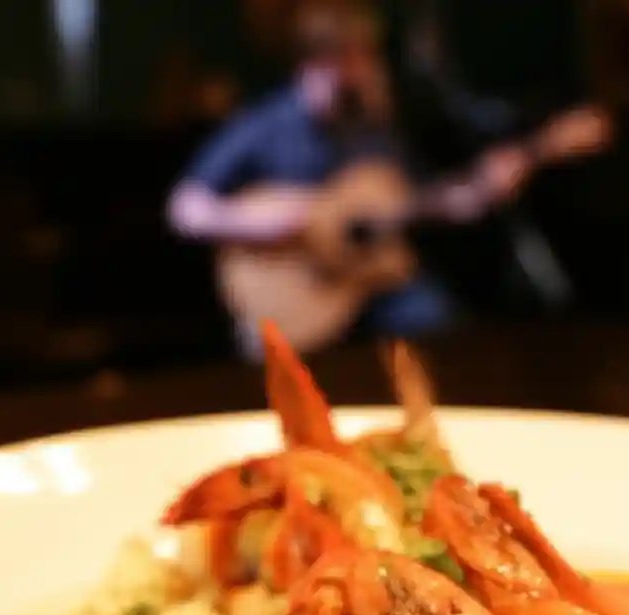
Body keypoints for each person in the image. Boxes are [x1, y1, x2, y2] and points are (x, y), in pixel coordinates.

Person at [167, 1, 533, 357]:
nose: (362, 72)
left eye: (366, 58)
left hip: (366, 286)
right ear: (317, 61)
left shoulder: (370, 127)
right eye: (353, 59)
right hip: (297, 293)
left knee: (442, 329)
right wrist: (264, 222)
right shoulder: (264, 125)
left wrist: (480, 190)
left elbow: (411, 202)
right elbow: (186, 209)